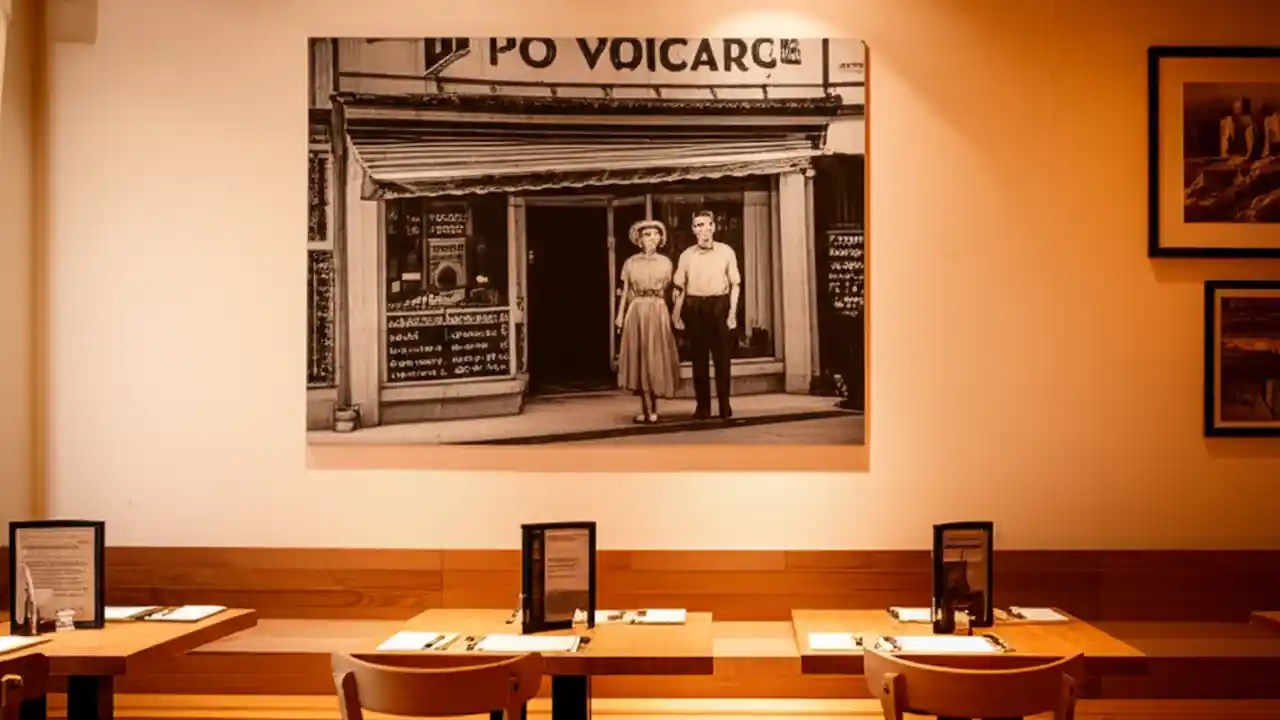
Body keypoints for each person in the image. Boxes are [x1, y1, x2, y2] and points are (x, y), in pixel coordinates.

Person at [672, 210, 741, 420]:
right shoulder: (686, 255)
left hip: (719, 305)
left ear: (714, 227)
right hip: (695, 307)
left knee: (722, 360)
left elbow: (735, 284)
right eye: (698, 225)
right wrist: (676, 314)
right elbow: (679, 288)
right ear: (693, 230)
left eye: (707, 225)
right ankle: (702, 406)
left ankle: (724, 405)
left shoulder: (726, 252)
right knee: (698, 361)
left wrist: (732, 312)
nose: (704, 230)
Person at [615, 219, 682, 424]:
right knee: (640, 356)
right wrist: (620, 315)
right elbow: (626, 292)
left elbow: (676, 291)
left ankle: (654, 407)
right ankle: (645, 408)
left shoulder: (666, 263)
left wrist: (676, 313)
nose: (651, 238)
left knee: (655, 356)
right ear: (639, 240)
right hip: (637, 309)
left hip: (658, 308)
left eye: (655, 234)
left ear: (661, 238)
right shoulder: (631, 263)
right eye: (646, 235)